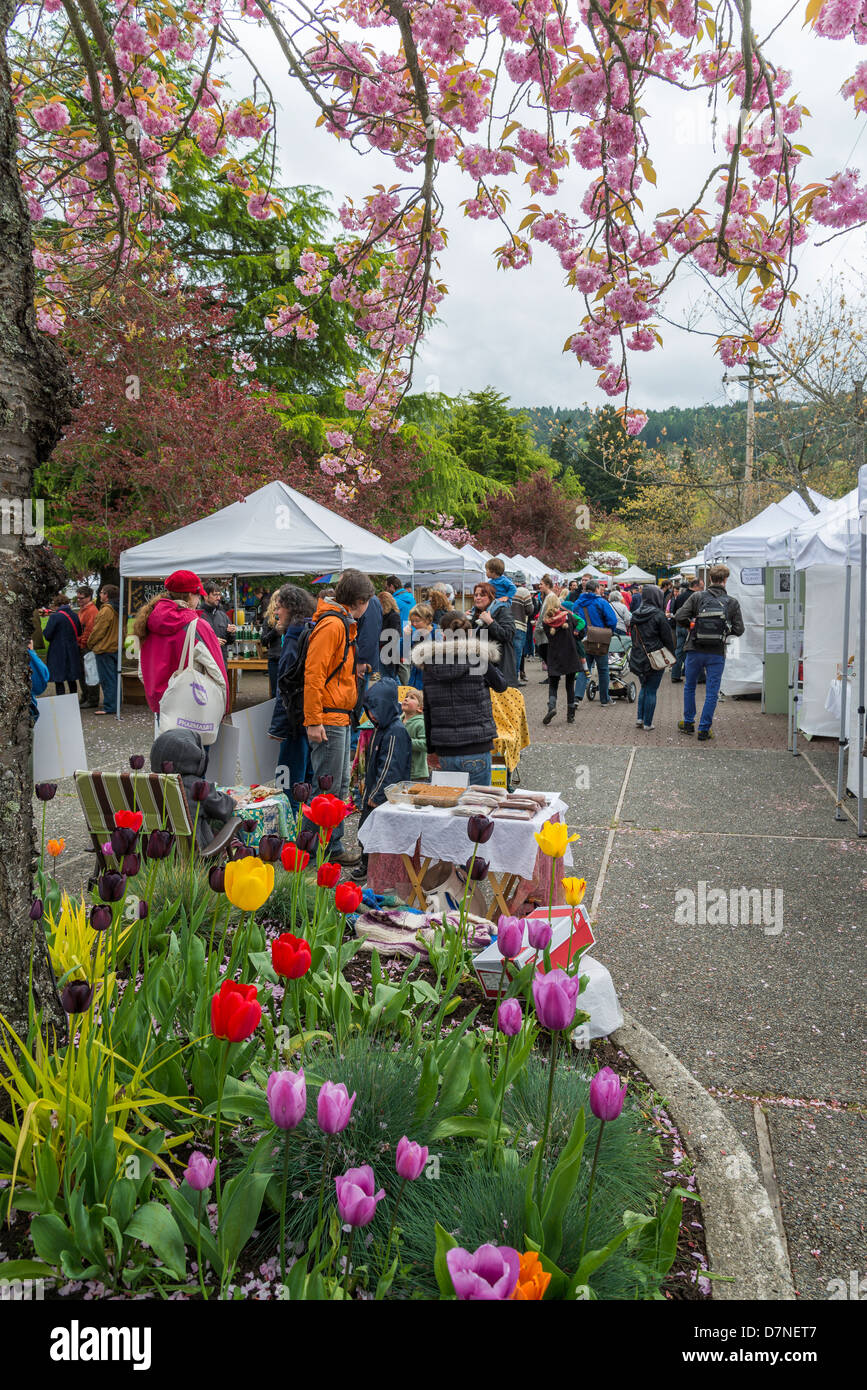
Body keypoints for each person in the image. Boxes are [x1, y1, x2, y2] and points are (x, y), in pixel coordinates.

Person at [303, 568, 374, 864]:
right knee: (327, 787)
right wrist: (314, 719)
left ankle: (320, 845)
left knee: (337, 785)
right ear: (360, 600)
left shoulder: (341, 624)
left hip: (338, 715)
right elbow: (314, 673)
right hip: (328, 716)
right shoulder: (333, 626)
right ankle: (318, 847)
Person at [411, 612, 507, 785]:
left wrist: (431, 750)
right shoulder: (478, 659)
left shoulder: (429, 664)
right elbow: (501, 685)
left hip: (445, 749)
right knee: (478, 806)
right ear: (469, 634)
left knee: (451, 807)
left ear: (443, 635)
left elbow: (428, 711)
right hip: (477, 745)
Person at [134, 569, 230, 724]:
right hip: (193, 705)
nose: (200, 599)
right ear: (191, 595)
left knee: (169, 747)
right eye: (199, 595)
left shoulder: (147, 623)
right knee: (195, 748)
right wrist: (224, 707)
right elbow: (217, 671)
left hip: (163, 705)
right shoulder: (198, 625)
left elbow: (142, 671)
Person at [351, 678, 412, 882]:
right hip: (374, 790)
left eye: (375, 710)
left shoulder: (395, 731)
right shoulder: (382, 728)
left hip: (384, 795)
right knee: (365, 829)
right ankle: (367, 862)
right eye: (370, 711)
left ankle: (376, 866)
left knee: (378, 832)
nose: (372, 715)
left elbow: (389, 767)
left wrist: (377, 794)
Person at [675, 564, 744, 741]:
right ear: (725, 580)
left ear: (709, 579)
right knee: (712, 691)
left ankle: (689, 722)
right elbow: (739, 629)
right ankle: (704, 729)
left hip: (694, 648)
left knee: (690, 686)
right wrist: (723, 632)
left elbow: (679, 617)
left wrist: (692, 626)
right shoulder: (731, 602)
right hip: (716, 652)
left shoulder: (697, 597)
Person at [268, 584, 316, 816]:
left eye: (279, 608)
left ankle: (290, 826)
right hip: (309, 714)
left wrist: (277, 727)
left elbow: (285, 686)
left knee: (289, 778)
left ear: (290, 608)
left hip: (294, 718)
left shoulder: (294, 636)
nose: (276, 613)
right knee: (307, 775)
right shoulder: (311, 628)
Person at [150, 728, 236, 847]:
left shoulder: (147, 784)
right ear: (196, 757)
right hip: (195, 857)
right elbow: (224, 808)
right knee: (233, 823)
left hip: (152, 854)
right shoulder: (197, 786)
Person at [628, 585, 675, 731]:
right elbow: (667, 638)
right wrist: (671, 656)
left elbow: (634, 636)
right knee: (652, 690)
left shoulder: (635, 614)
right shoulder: (659, 615)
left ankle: (640, 718)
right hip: (655, 657)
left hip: (638, 656)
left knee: (644, 687)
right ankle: (648, 723)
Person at [572, 578, 619, 708]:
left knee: (584, 669)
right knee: (603, 669)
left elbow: (574, 620)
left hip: (584, 639)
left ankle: (576, 698)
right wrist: (608, 631)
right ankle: (604, 699)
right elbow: (612, 620)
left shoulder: (577, 603)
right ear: (597, 589)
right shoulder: (601, 602)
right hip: (600, 640)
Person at [541, 594, 586, 725]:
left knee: (553, 684)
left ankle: (552, 707)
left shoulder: (545, 621)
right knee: (570, 685)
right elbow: (581, 632)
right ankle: (570, 715)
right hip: (570, 653)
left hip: (554, 654)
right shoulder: (568, 616)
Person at [469, 581, 517, 687]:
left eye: (482, 595)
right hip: (480, 668)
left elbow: (507, 635)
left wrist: (490, 622)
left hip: (499, 667)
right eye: (476, 595)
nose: (478, 598)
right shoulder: (474, 614)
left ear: (490, 597)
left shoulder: (502, 610)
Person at [87, 584, 120, 715]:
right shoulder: (119, 609)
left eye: (101, 592)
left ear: (106, 595)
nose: (100, 595)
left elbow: (98, 631)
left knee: (108, 679)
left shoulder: (106, 610)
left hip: (105, 648)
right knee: (115, 678)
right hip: (115, 646)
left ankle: (110, 706)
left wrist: (90, 643)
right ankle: (115, 703)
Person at [43, 594, 82, 695]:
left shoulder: (55, 617)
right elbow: (79, 631)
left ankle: (62, 701)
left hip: (58, 650)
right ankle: (73, 700)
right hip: (72, 649)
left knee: (59, 679)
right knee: (72, 678)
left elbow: (48, 634)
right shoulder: (75, 615)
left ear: (57, 605)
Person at [669, 578, 701, 683]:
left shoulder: (679, 596)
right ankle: (697, 676)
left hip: (679, 626)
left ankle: (675, 674)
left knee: (678, 651)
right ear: (695, 586)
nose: (701, 589)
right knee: (694, 651)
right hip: (690, 626)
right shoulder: (697, 597)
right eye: (701, 587)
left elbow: (673, 611)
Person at [76, 586, 101, 708]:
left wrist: (82, 642)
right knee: (83, 672)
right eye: (78, 598)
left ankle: (93, 699)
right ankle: (85, 695)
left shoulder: (91, 611)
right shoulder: (83, 609)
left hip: (87, 646)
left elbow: (89, 630)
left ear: (89, 597)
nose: (79, 600)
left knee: (90, 672)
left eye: (81, 598)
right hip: (83, 644)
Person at [260, 588, 284, 697]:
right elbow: (263, 641)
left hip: (288, 659)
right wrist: (275, 631)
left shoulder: (291, 617)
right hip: (275, 658)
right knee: (275, 692)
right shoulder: (269, 619)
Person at [511, 576, 534, 685]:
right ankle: (514, 679)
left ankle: (505, 678)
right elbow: (529, 610)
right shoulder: (524, 591)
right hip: (519, 625)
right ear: (523, 582)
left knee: (507, 653)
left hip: (505, 625)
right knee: (517, 653)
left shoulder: (507, 589)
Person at [401, 688, 429, 781]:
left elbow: (426, 744)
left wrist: (406, 742)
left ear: (420, 708)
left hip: (417, 774)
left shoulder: (421, 723)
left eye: (412, 698)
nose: (406, 699)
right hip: (400, 769)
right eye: (406, 697)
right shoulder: (398, 721)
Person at [406, 603, 434, 690]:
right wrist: (406, 637)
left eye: (417, 621)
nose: (414, 624)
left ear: (428, 620)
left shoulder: (437, 635)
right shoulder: (415, 633)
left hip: (429, 683)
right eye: (412, 621)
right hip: (414, 681)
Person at [378, 589, 404, 681]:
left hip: (389, 653)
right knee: (388, 676)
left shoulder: (393, 616)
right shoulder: (385, 616)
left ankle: (398, 693)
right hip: (384, 651)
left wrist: (378, 640)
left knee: (391, 677)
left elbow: (393, 635)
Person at [200, 583, 234, 649]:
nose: (218, 598)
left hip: (222, 657)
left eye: (219, 595)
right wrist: (212, 642)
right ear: (205, 596)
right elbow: (194, 641)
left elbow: (230, 642)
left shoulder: (223, 616)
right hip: (206, 658)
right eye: (215, 595)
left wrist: (231, 633)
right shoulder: (198, 616)